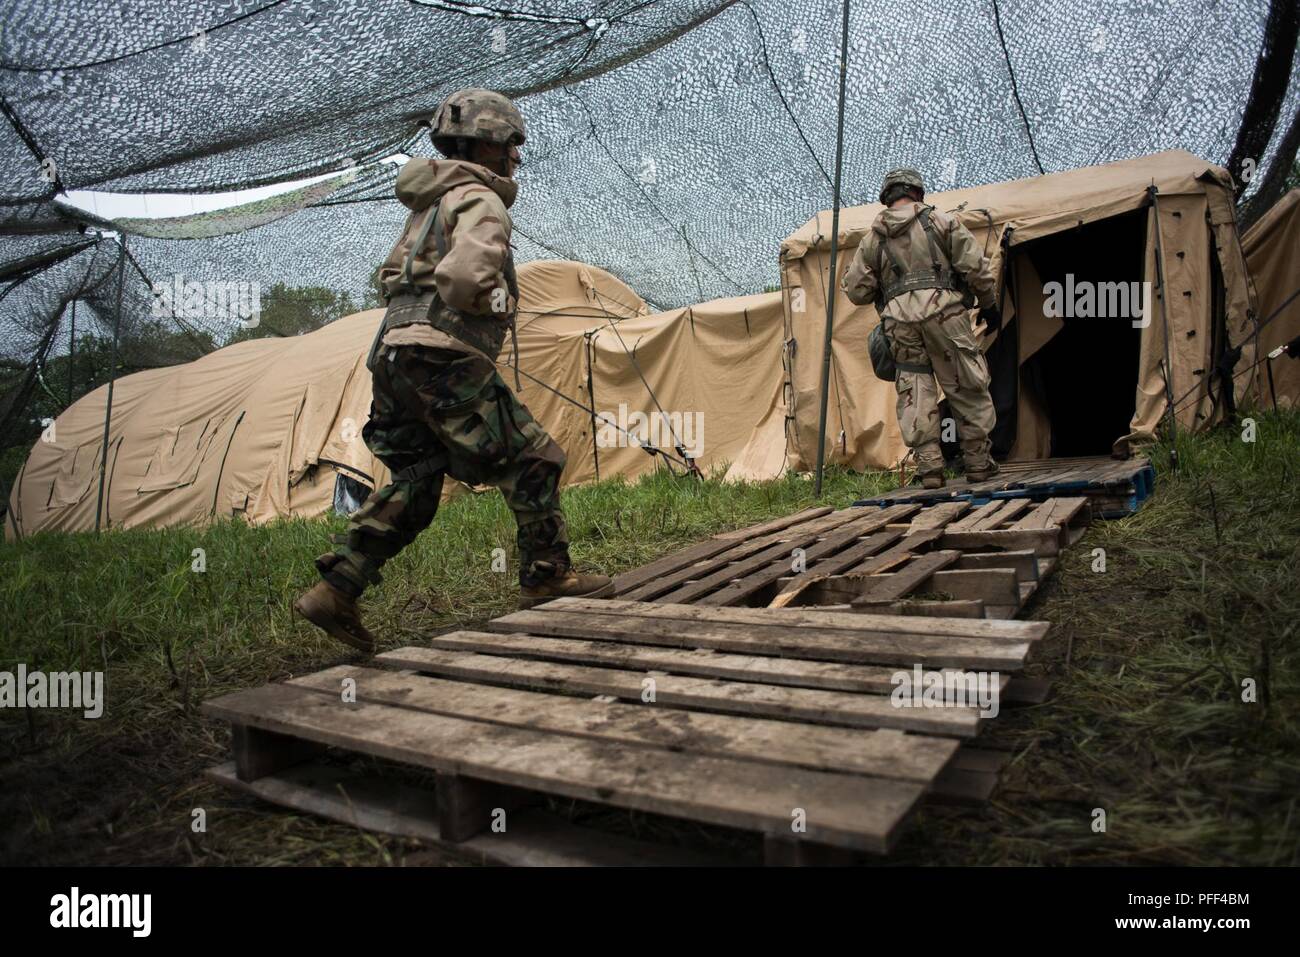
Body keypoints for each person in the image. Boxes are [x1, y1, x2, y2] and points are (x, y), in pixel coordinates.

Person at [295, 88, 612, 653]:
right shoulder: (481, 201)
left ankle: (337, 587)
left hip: (392, 353)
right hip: (442, 355)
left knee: (417, 477)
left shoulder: (428, 204)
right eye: (513, 145)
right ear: (490, 144)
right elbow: (468, 277)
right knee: (535, 457)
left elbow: (390, 278)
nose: (517, 157)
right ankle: (547, 577)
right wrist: (477, 316)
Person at [842, 167, 1002, 489]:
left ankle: (930, 469)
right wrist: (989, 303)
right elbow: (976, 269)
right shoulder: (943, 222)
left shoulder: (872, 239)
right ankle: (978, 462)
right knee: (965, 383)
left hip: (900, 323)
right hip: (946, 316)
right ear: (917, 193)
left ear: (887, 198)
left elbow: (857, 291)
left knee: (915, 391)